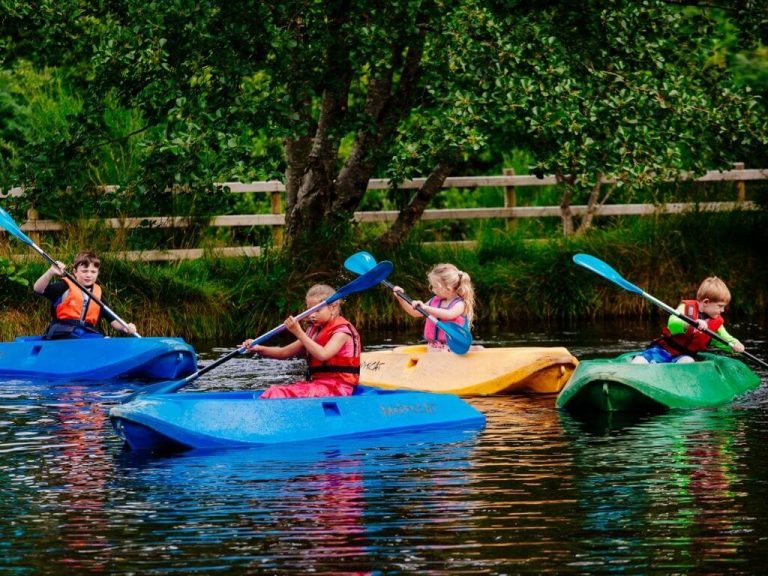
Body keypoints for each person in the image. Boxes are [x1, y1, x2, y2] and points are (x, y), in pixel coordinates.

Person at [244, 284, 361, 399]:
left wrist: (299, 333)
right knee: (274, 391)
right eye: (309, 310)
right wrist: (259, 348)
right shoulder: (314, 332)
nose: (312, 315)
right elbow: (284, 353)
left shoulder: (342, 332)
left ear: (333, 307)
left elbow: (323, 355)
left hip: (338, 388)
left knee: (277, 393)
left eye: (317, 310)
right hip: (318, 385)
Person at [631, 276, 745, 364]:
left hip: (684, 356)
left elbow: (724, 339)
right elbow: (672, 324)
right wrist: (690, 324)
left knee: (687, 361)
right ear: (706, 302)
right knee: (640, 360)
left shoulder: (717, 323)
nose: (723, 310)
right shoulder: (686, 308)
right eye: (720, 306)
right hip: (664, 349)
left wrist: (734, 345)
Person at [33, 251, 137, 339]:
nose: (88, 275)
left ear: (97, 273)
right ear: (75, 272)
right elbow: (38, 289)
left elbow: (113, 321)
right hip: (62, 332)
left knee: (97, 337)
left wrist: (125, 327)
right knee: (91, 337)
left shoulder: (98, 294)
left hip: (86, 333)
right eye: (84, 271)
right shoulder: (64, 286)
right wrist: (50, 272)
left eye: (93, 272)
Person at [392, 262, 475, 351]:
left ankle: (474, 350)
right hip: (434, 346)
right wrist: (400, 297)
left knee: (476, 349)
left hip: (453, 347)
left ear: (448, 289)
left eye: (435, 286)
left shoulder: (460, 304)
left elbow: (449, 314)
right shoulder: (434, 301)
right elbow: (415, 313)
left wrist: (426, 308)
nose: (432, 289)